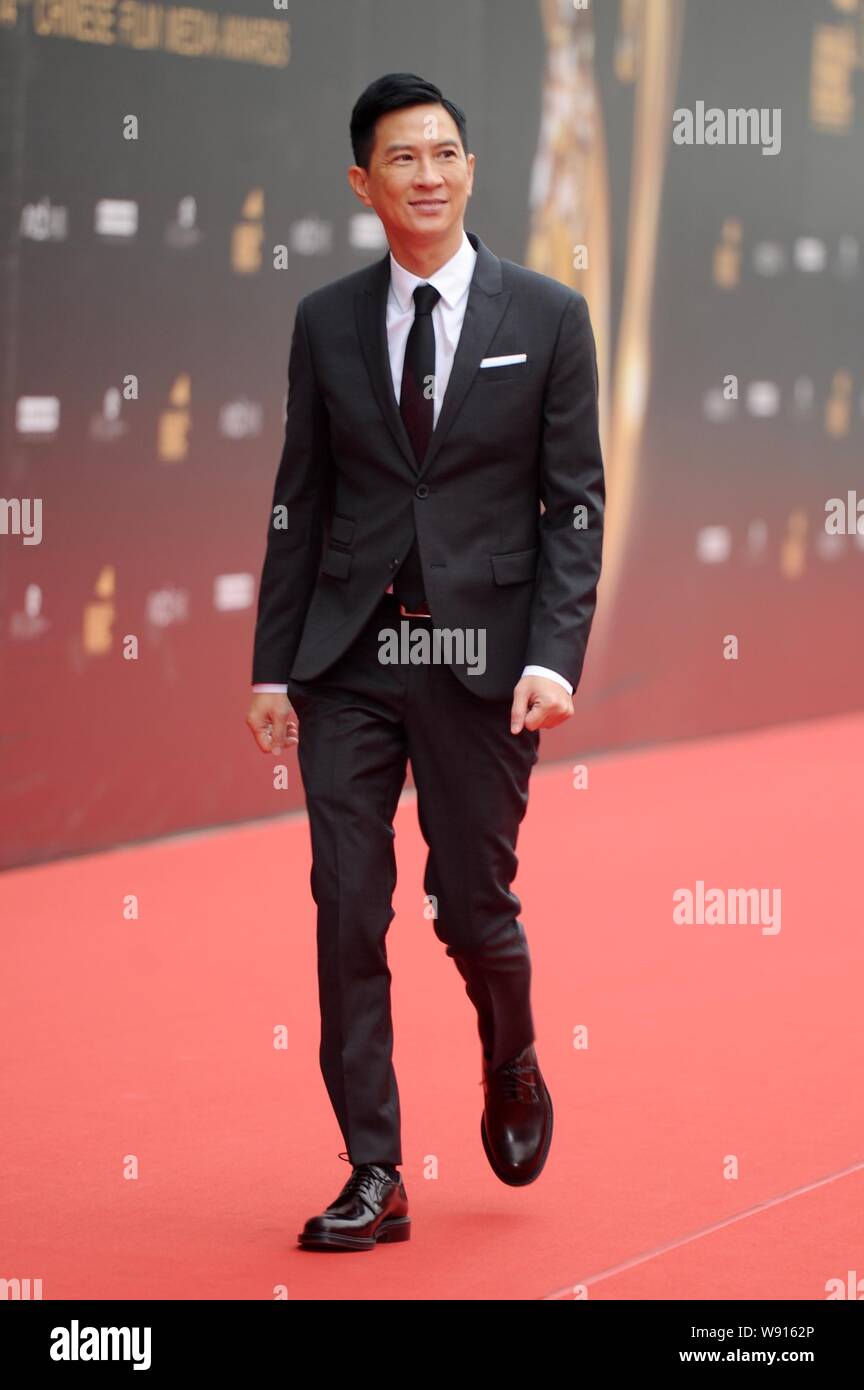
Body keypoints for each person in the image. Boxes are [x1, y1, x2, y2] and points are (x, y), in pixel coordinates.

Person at [246, 72, 604, 1251]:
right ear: (365, 181)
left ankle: (513, 1057)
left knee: (471, 907)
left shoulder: (547, 316)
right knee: (347, 903)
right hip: (352, 656)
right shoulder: (325, 321)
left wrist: (555, 655)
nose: (429, 174)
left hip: (482, 662)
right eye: (403, 158)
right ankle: (376, 1169)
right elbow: (300, 499)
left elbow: (574, 507)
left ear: (469, 168)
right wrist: (271, 667)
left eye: (446, 152)